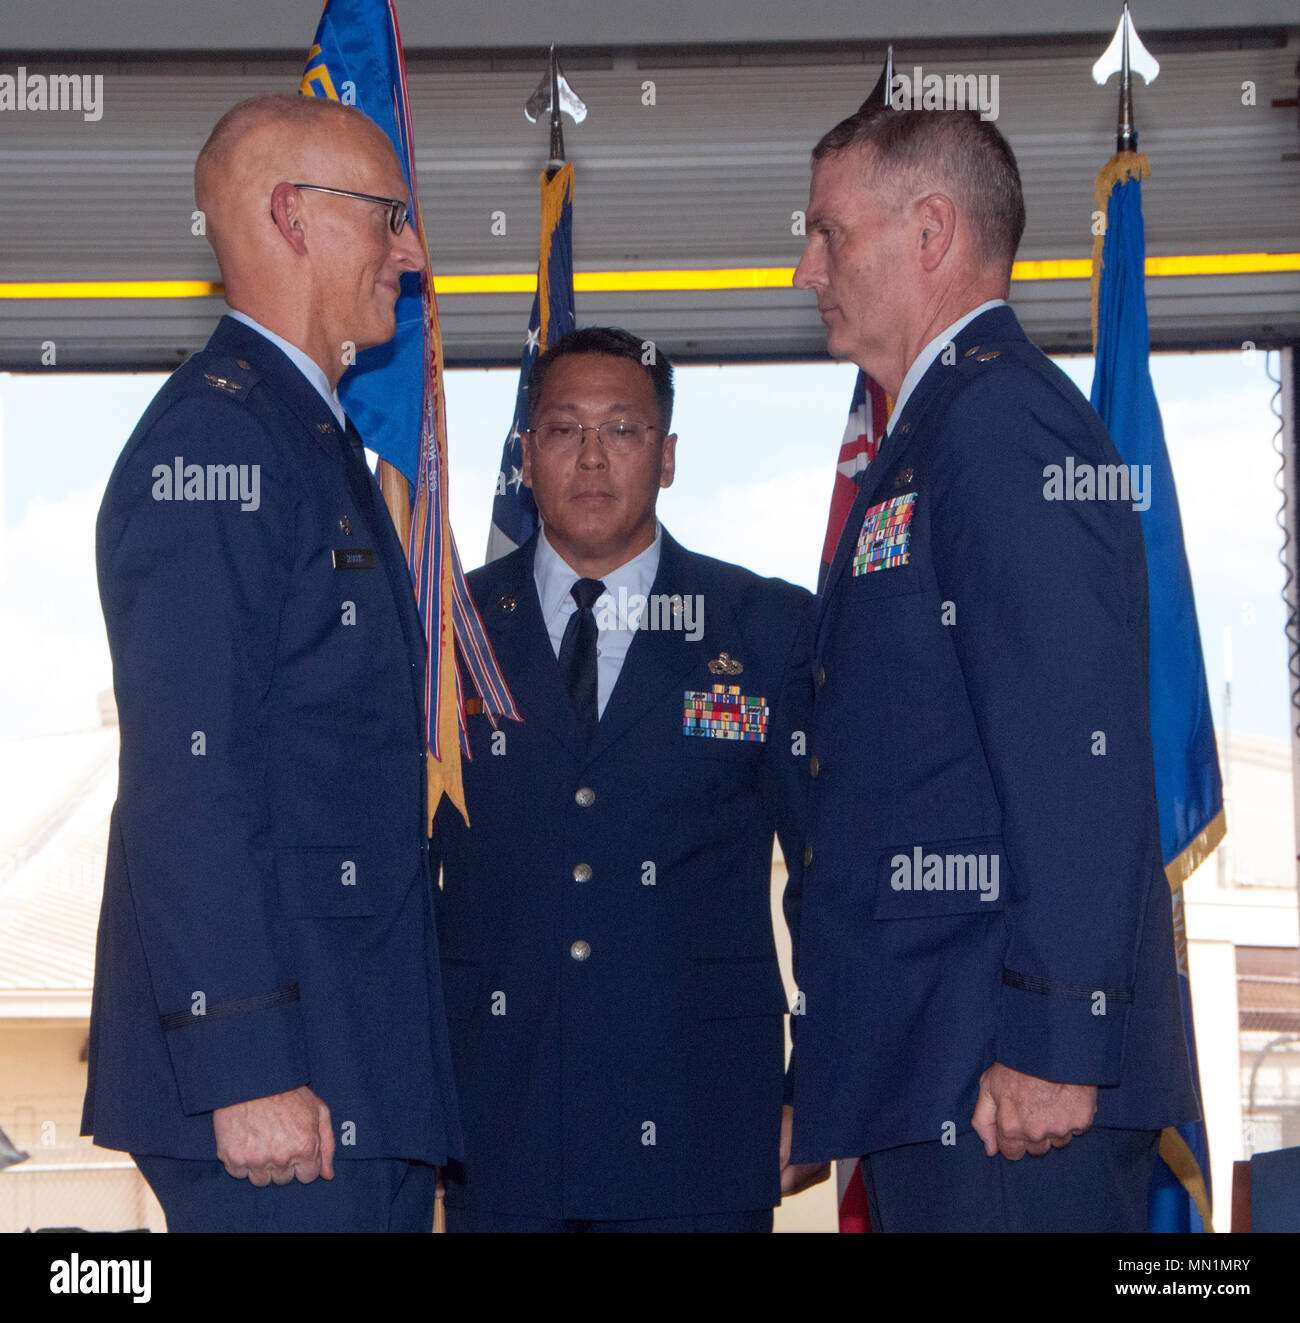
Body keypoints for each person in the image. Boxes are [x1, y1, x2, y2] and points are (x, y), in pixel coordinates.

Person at [786, 104, 1199, 1232]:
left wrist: (1054, 1038)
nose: (802, 267)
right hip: (941, 1063)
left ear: (930, 231)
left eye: (827, 233)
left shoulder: (1002, 424)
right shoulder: (938, 433)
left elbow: (1075, 752)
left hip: (1009, 1085)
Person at [82, 93, 461, 1232]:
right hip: (279, 1079)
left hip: (353, 1060)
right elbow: (186, 775)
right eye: (390, 217)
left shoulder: (305, 439)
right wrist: (242, 1062)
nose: (415, 251)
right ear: (293, 216)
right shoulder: (218, 440)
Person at [433, 327, 825, 1231]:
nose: (594, 457)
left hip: (706, 1125)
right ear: (526, 457)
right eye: (564, 430)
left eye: (625, 429)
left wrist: (818, 1083)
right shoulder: (448, 635)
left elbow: (826, 873)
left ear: (670, 455)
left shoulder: (763, 628)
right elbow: (406, 880)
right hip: (497, 1122)